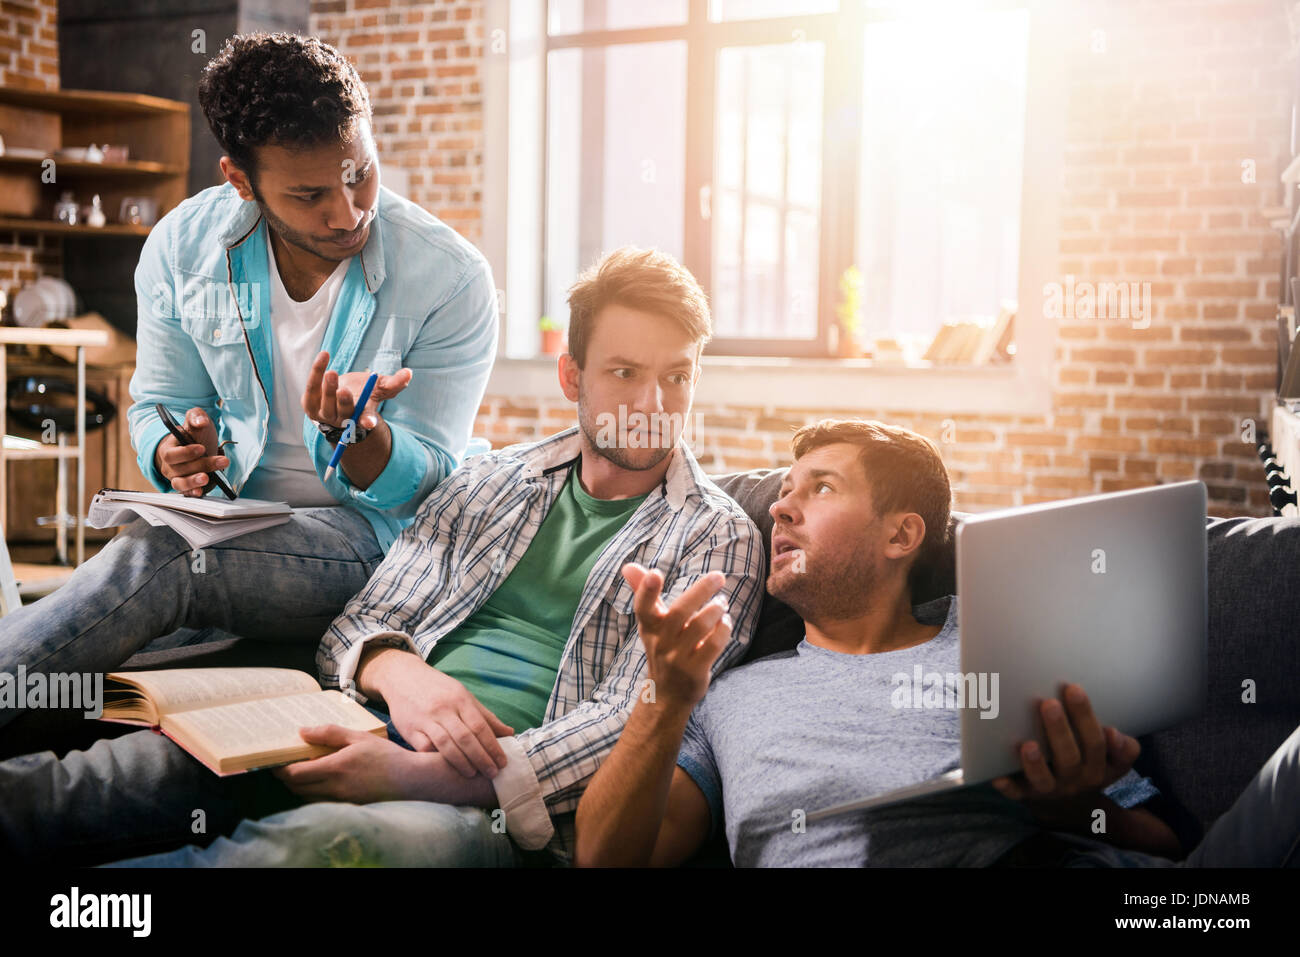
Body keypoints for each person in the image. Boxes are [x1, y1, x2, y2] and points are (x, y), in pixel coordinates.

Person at [0, 247, 766, 867]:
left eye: (677, 377)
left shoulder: (716, 535)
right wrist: (396, 672)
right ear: (573, 376)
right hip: (353, 721)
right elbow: (364, 617)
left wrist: (425, 775)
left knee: (311, 851)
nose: (653, 404)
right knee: (91, 785)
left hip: (499, 812)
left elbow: (637, 719)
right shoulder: (494, 479)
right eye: (626, 373)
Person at [0, 33, 498, 727]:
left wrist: (363, 438)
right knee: (102, 677)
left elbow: (431, 484)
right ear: (241, 180)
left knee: (159, 555)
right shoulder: (182, 248)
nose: (349, 210)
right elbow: (160, 404)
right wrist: (172, 451)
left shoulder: (451, 276)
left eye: (360, 174)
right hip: (239, 521)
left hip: (375, 542)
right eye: (310, 194)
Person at [574, 418, 1300, 867]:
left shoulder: (1004, 635)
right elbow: (604, 857)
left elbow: (1168, 842)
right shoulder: (726, 696)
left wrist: (1071, 805)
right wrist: (663, 703)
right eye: (786, 489)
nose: (783, 506)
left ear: (902, 534)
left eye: (820, 488)